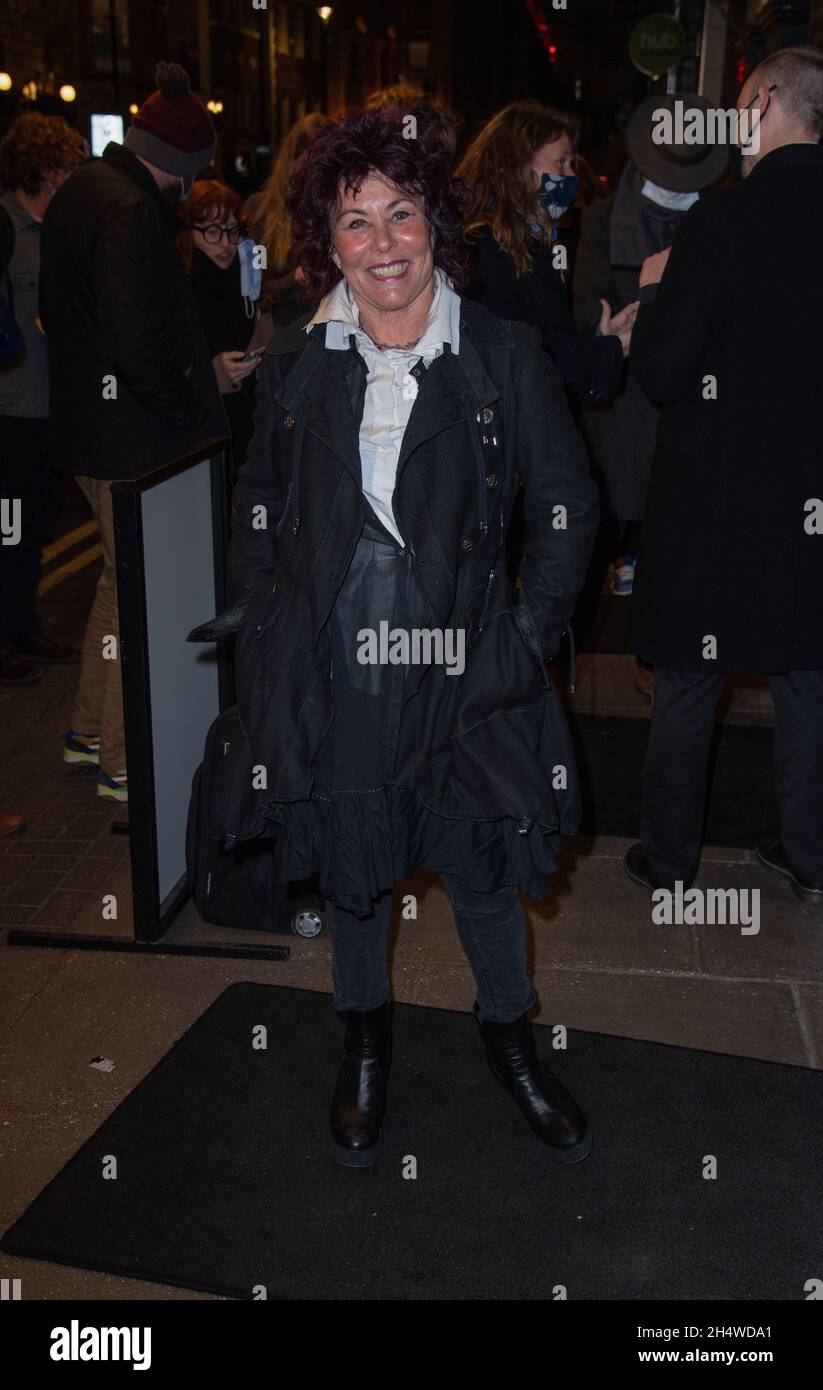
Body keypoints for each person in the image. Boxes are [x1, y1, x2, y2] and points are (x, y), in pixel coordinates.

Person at [223, 106, 599, 1166]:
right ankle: (363, 1044)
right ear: (326, 242)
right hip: (340, 665)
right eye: (355, 222)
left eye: (401, 213)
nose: (383, 244)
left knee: (480, 869)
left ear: (436, 220)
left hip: (466, 665)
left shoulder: (503, 355)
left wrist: (519, 645)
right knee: (354, 873)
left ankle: (511, 1042)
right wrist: (268, 633)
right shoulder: (298, 363)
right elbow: (254, 508)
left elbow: (569, 511)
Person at [624, 46, 823, 907]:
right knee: (811, 679)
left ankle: (669, 861)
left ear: (766, 101)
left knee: (688, 681)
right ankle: (812, 854)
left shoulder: (725, 219)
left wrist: (657, 293)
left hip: (719, 499)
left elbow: (664, 372)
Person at [40, 62, 228, 802]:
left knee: (116, 586)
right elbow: (136, 336)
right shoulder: (130, 210)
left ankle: (90, 733)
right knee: (138, 594)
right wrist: (183, 416)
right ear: (180, 165)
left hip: (90, 429)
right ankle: (124, 762)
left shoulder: (83, 189)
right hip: (129, 437)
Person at [572, 93, 727, 688]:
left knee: (677, 537)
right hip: (620, 404)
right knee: (606, 531)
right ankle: (572, 651)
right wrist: (638, 319)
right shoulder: (601, 217)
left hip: (690, 399)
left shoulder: (720, 218)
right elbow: (587, 307)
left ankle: (657, 660)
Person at [457, 101, 637, 405]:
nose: (570, 176)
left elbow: (546, 344)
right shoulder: (492, 250)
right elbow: (539, 369)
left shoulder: (519, 243)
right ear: (516, 166)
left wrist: (597, 339)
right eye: (561, 162)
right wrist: (610, 350)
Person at [0, 113, 88, 686]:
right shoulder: (5, 229)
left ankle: (23, 623)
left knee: (34, 522)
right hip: (9, 409)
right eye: (66, 171)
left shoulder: (56, 230)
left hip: (48, 407)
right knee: (7, 525)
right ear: (46, 171)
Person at [177, 179, 272, 485]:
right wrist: (211, 374)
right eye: (212, 231)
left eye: (231, 230)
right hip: (199, 426)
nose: (225, 243)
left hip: (243, 413)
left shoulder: (245, 274)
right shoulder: (180, 286)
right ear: (189, 234)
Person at [242, 112, 329, 329]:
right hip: (281, 332)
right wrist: (294, 277)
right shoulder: (260, 211)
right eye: (304, 154)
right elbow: (254, 284)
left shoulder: (336, 207)